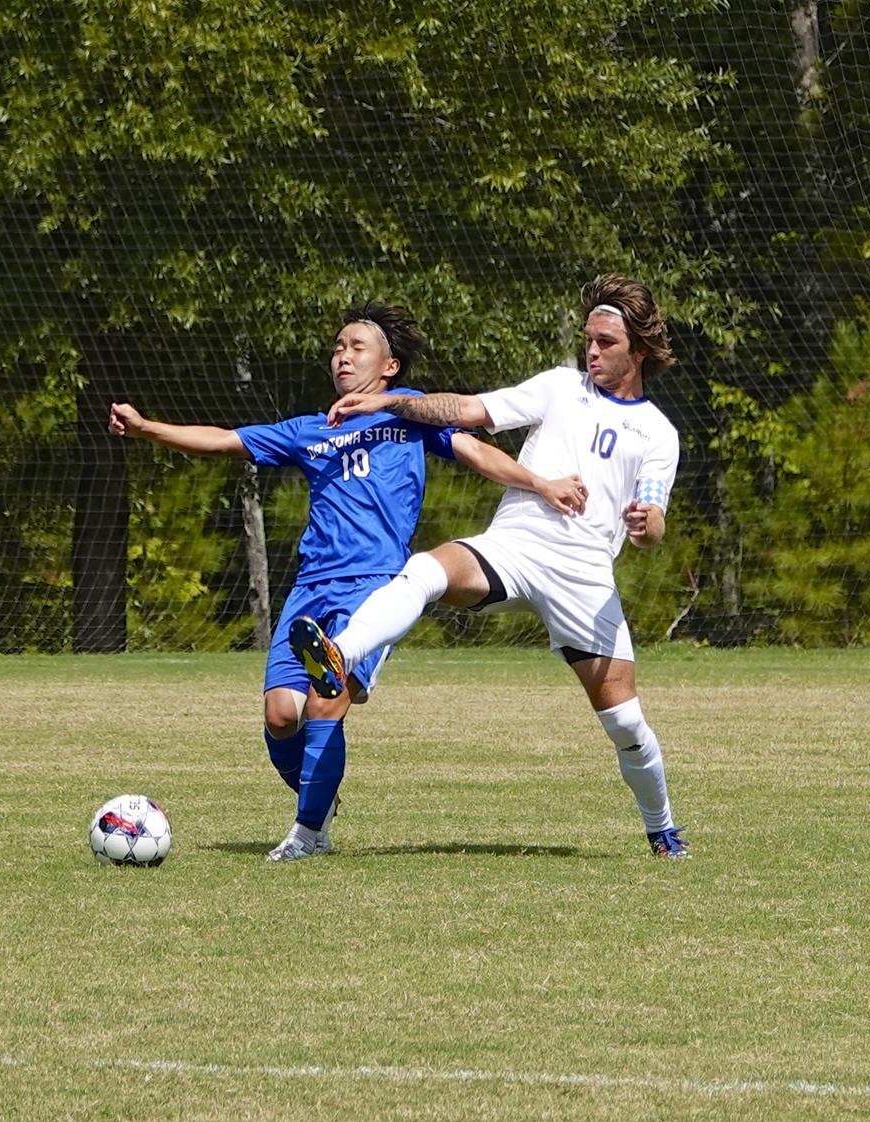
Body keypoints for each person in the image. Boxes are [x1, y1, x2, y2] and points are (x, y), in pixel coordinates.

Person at [109, 301, 587, 862]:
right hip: (312, 586)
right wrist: (146, 429)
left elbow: (478, 451)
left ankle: (308, 834)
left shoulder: (410, 415)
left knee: (324, 701)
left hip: (377, 587)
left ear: (389, 366)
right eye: (338, 347)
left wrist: (541, 483)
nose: (343, 356)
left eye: (356, 347)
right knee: (280, 715)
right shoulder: (309, 431)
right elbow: (224, 439)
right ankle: (320, 800)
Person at [287, 274, 691, 858]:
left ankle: (662, 829)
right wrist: (388, 400)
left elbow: (653, 524)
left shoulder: (658, 433)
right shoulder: (559, 387)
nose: (592, 351)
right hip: (517, 544)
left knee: (625, 724)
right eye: (589, 340)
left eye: (605, 342)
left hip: (584, 575)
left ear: (640, 351)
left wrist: (642, 523)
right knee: (427, 570)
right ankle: (339, 654)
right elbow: (468, 409)